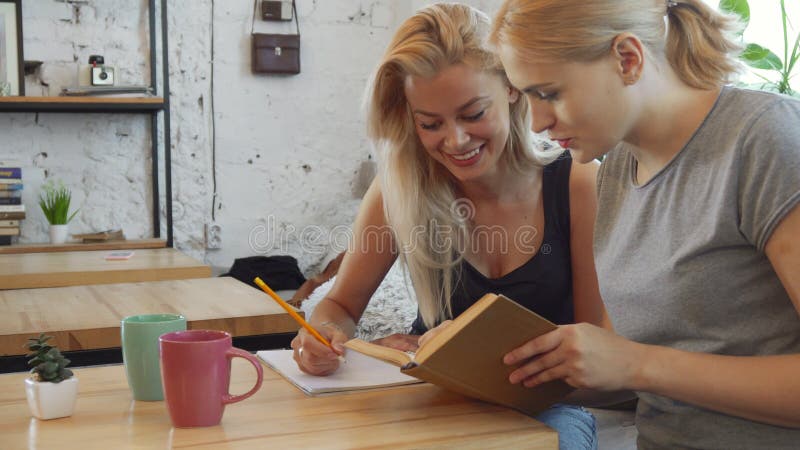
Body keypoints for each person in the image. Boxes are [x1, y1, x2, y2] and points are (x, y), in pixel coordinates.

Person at [291, 3, 611, 449]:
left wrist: (485, 357)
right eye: (430, 123)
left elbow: (602, 355)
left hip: (548, 406)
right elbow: (340, 305)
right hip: (431, 399)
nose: (456, 141)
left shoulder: (579, 184)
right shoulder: (399, 188)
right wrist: (322, 337)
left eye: (474, 114)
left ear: (512, 88)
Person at [490, 0, 800, 448]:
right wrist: (490, 365)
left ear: (627, 59)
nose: (537, 123)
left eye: (550, 93)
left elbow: (635, 365)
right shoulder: (617, 168)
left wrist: (637, 364)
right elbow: (619, 370)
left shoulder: (766, 140)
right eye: (526, 96)